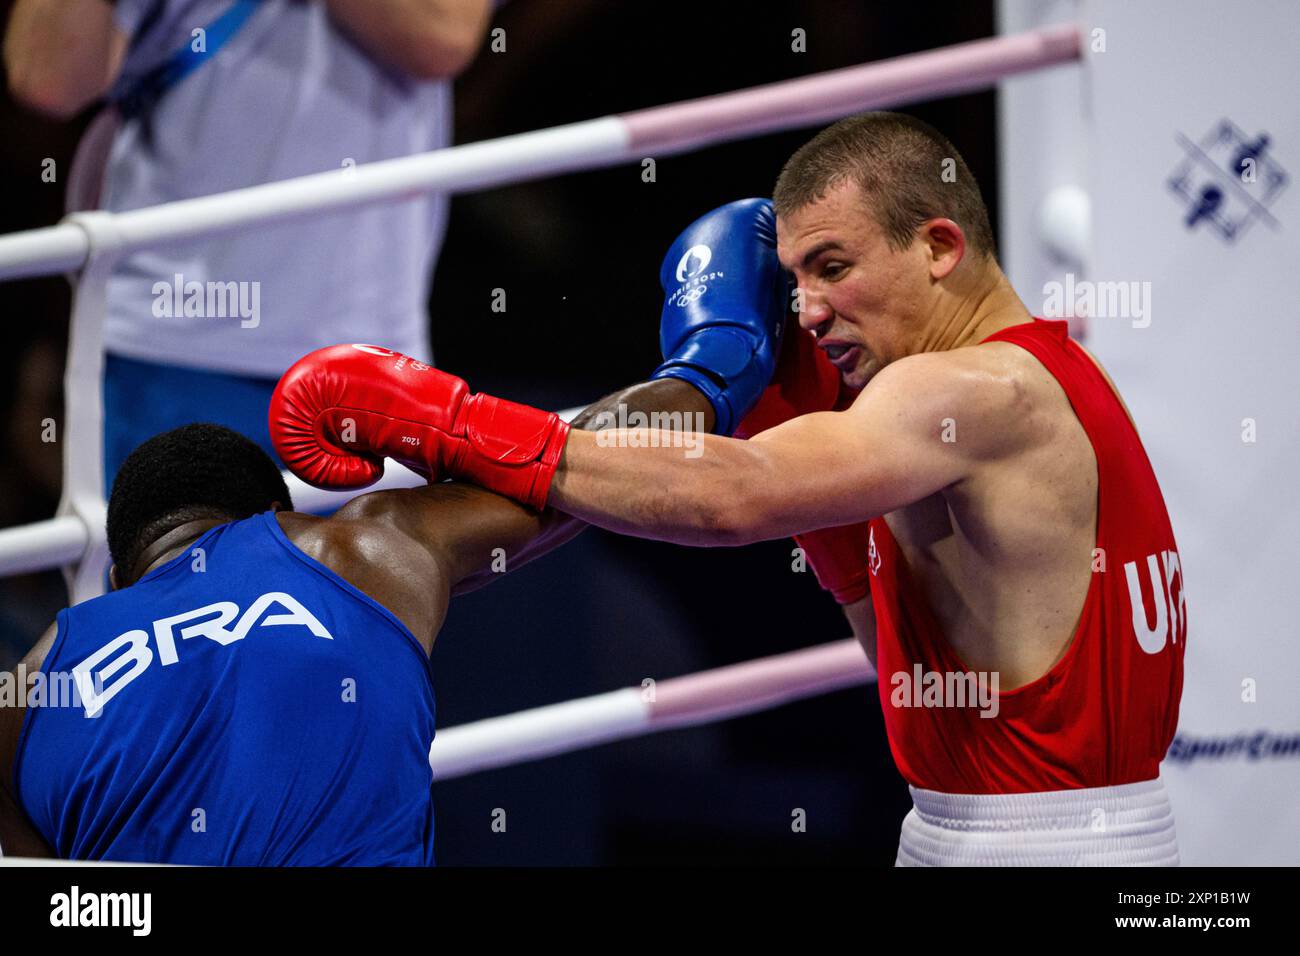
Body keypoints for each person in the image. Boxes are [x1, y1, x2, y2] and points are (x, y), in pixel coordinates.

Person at [276, 114, 1188, 867]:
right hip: (1025, 826)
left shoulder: (965, 390)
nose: (810, 311)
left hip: (1033, 846)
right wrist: (835, 528)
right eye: (793, 281)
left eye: (833, 266)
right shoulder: (1059, 377)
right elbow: (915, 677)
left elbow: (731, 502)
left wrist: (448, 418)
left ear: (940, 245)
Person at [0, 199, 786, 863]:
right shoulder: (356, 549)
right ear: (278, 516)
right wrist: (713, 364)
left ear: (124, 574)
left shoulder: (36, 681)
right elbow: (581, 472)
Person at [3, 0, 493, 489]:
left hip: (363, 350)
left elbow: (439, 32)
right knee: (171, 565)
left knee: (354, 566)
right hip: (169, 339)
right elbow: (47, 77)